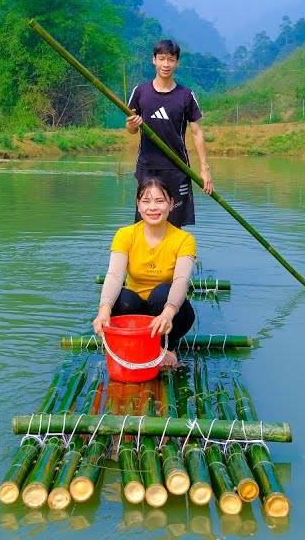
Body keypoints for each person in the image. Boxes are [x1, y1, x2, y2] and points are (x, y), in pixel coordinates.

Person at [93, 177, 197, 367]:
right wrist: (104, 310)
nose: (153, 208)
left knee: (161, 294)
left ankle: (167, 346)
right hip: (136, 312)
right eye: (146, 201)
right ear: (138, 205)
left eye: (160, 201)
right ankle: (135, 341)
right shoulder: (125, 235)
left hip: (171, 312)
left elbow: (181, 280)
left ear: (171, 204)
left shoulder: (184, 239)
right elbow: (115, 276)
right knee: (121, 300)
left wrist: (168, 313)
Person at [126, 39, 213, 227]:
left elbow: (197, 133)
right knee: (146, 221)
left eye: (171, 60)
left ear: (177, 63)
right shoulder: (140, 92)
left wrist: (204, 169)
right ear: (154, 60)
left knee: (174, 223)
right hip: (147, 167)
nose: (166, 64)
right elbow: (132, 130)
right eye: (162, 59)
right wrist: (132, 124)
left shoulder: (186, 95)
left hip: (177, 167)